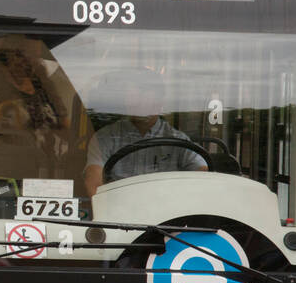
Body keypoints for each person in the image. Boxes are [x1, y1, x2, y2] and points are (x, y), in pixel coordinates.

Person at [82, 67, 206, 196]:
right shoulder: (105, 138)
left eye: (143, 93)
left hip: (166, 212)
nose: (136, 100)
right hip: (119, 212)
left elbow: (203, 177)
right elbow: (94, 182)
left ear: (160, 101)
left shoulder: (178, 142)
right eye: (132, 95)